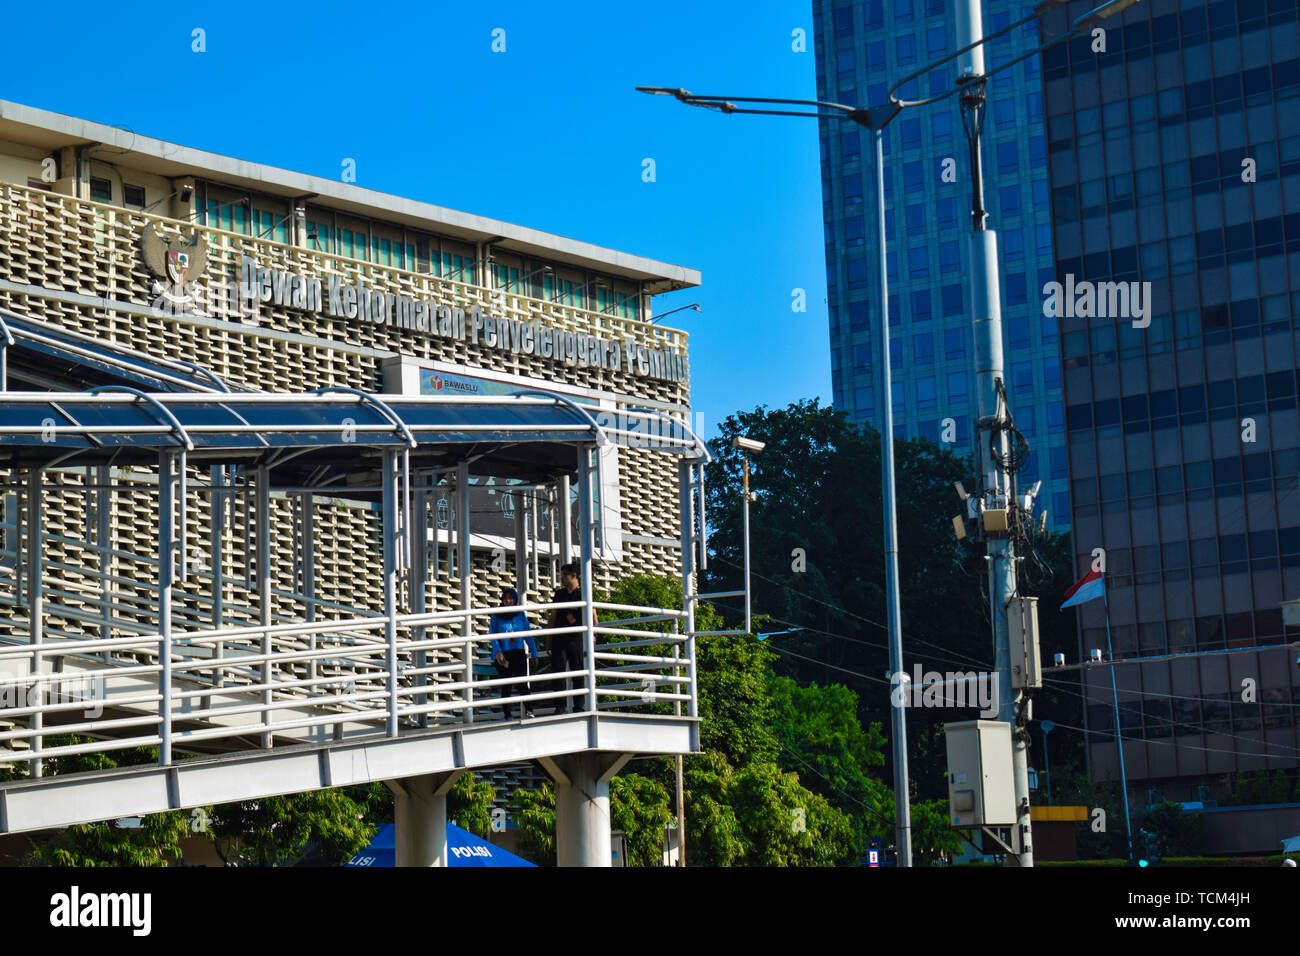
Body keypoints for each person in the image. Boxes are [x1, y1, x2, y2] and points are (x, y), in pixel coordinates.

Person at [547, 563, 595, 714]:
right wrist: (548, 637)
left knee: (578, 672)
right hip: (560, 638)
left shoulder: (584, 593)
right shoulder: (559, 594)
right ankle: (560, 706)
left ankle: (579, 706)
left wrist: (593, 635)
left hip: (577, 639)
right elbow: (553, 616)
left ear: (574, 576)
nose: (561, 578)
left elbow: (593, 615)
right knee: (558, 672)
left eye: (564, 575)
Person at [489, 586, 537, 719]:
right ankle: (507, 713)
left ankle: (529, 710)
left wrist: (534, 653)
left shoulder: (520, 614)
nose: (508, 601)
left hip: (518, 652)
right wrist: (498, 652)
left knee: (522, 682)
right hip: (503, 653)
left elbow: (528, 634)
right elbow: (492, 635)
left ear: (515, 600)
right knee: (507, 684)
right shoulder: (496, 615)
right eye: (505, 598)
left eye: (510, 598)